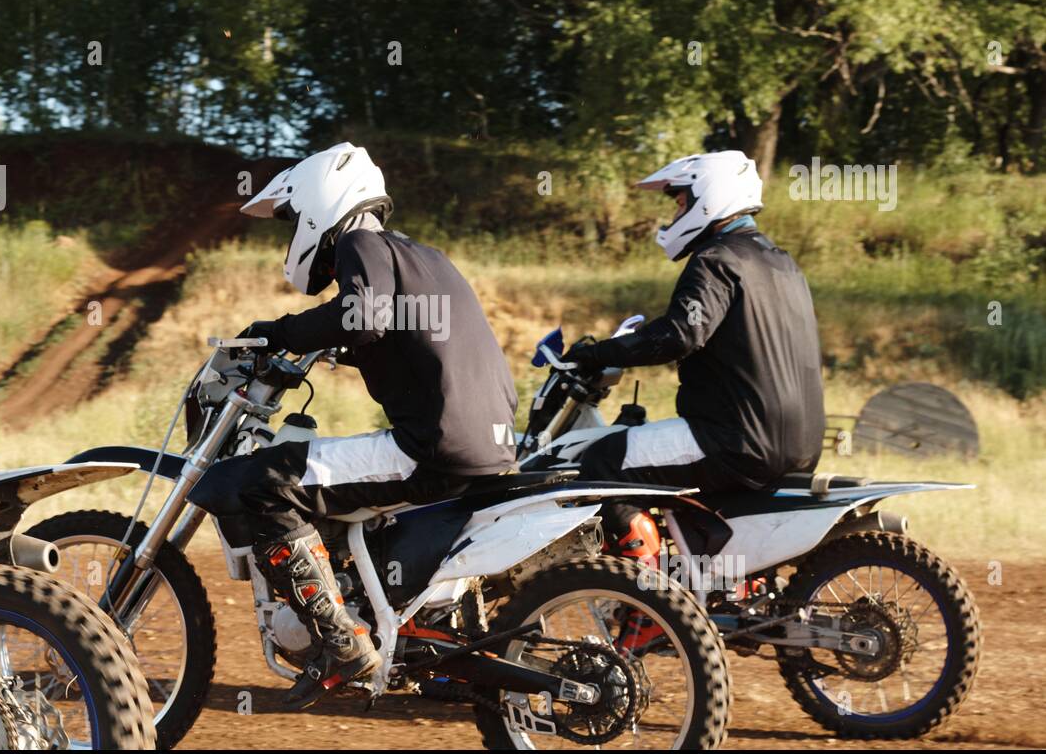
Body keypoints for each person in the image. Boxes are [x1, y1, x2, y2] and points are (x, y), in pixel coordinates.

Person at [188, 142, 518, 709]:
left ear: (319, 201)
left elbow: (364, 315)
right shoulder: (426, 256)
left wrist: (279, 332)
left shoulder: (360, 243)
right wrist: (335, 350)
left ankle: (341, 642)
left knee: (252, 482)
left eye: (291, 219)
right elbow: (401, 334)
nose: (291, 235)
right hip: (488, 442)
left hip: (432, 448)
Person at [565, 151, 825, 556]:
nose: (676, 213)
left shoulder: (716, 259)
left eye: (681, 201)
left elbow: (679, 335)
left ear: (709, 197)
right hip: (801, 444)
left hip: (734, 441)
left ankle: (647, 604)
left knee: (601, 462)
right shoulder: (783, 264)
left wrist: (599, 353)